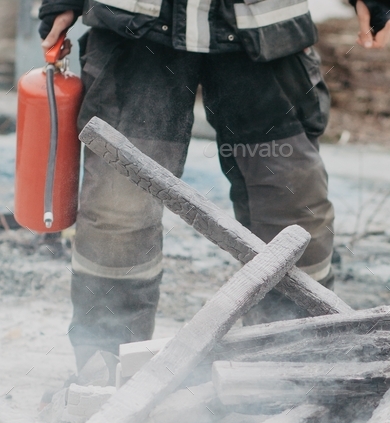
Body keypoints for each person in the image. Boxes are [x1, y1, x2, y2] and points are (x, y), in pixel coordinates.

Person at [38, 0, 390, 369]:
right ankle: (106, 363)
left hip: (264, 33)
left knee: (291, 212)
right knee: (118, 208)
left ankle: (299, 364)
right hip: (135, 27)